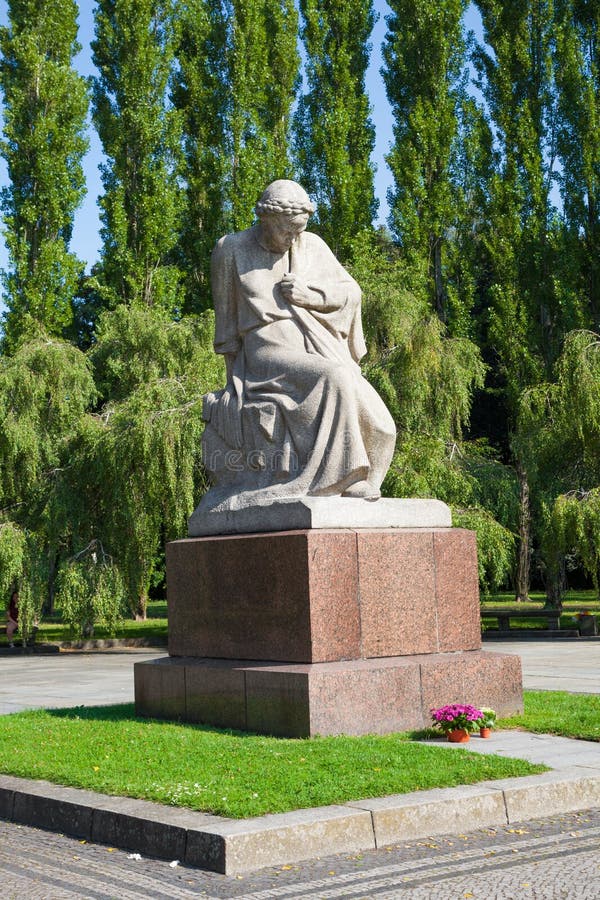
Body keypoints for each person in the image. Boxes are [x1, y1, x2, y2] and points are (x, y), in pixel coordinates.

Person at [201, 179, 396, 508]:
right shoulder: (231, 249)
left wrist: (311, 296)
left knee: (379, 421)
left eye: (298, 231)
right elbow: (227, 330)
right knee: (333, 377)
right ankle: (344, 477)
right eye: (286, 231)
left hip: (315, 343)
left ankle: (363, 476)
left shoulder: (311, 245)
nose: (293, 239)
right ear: (266, 219)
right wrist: (233, 384)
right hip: (264, 352)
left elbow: (351, 292)